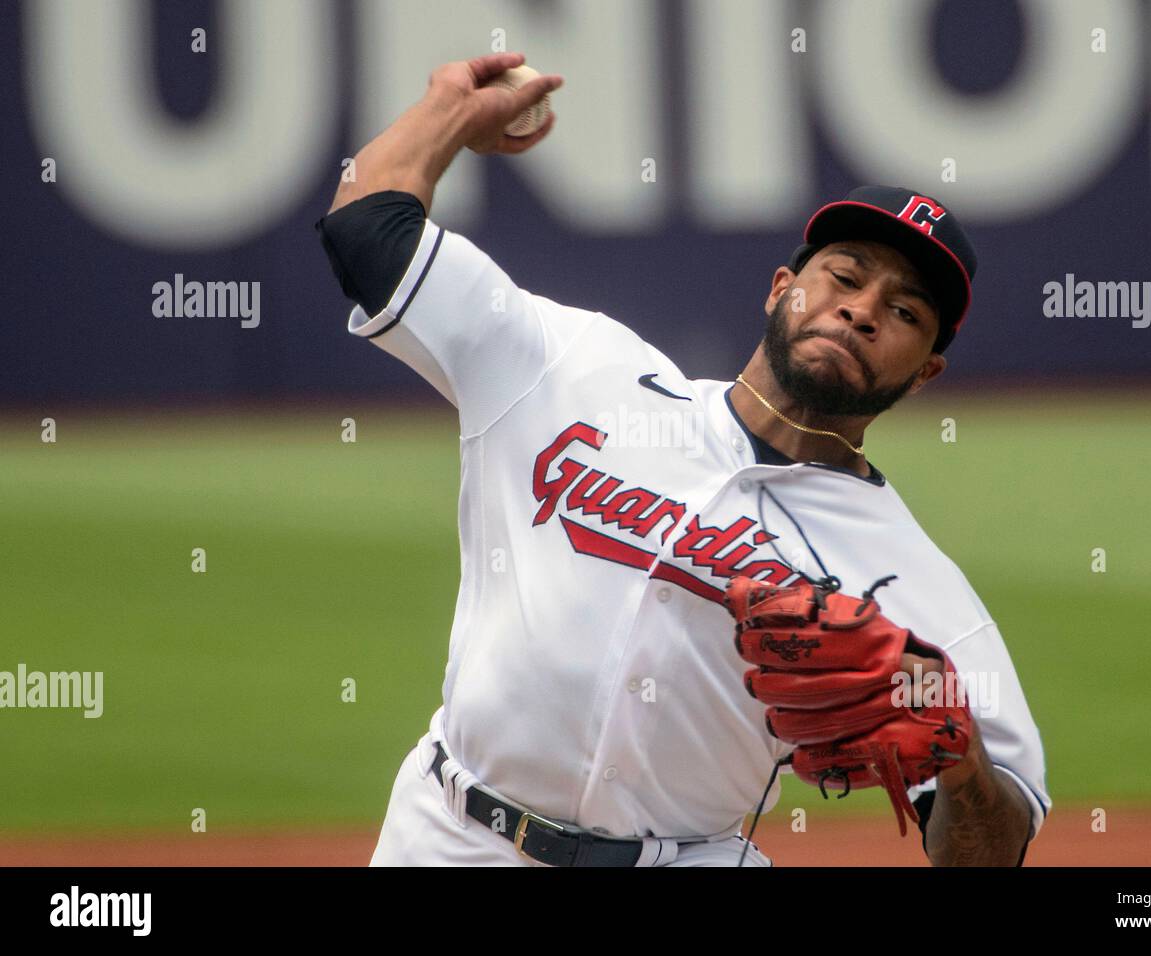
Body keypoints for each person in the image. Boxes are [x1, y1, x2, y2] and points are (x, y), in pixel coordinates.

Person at [316, 52, 1049, 867]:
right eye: (845, 274)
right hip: (446, 838)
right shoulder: (573, 366)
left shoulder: (910, 580)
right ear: (781, 288)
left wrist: (961, 759)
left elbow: (989, 851)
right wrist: (448, 113)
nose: (861, 309)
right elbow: (366, 233)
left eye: (904, 310)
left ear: (924, 374)